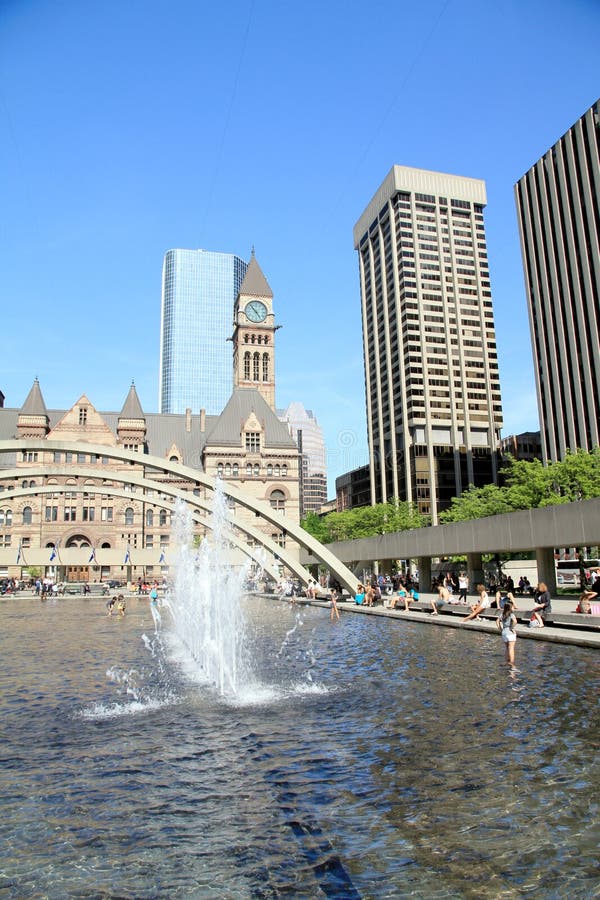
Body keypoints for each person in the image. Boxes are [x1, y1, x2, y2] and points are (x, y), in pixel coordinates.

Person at [498, 599, 518, 665]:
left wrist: (500, 629)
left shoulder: (502, 614)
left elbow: (497, 621)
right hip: (510, 632)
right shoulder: (511, 615)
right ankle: (512, 663)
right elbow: (515, 621)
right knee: (511, 648)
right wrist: (512, 628)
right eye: (512, 607)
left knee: (507, 648)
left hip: (504, 632)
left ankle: (507, 661)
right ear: (510, 608)